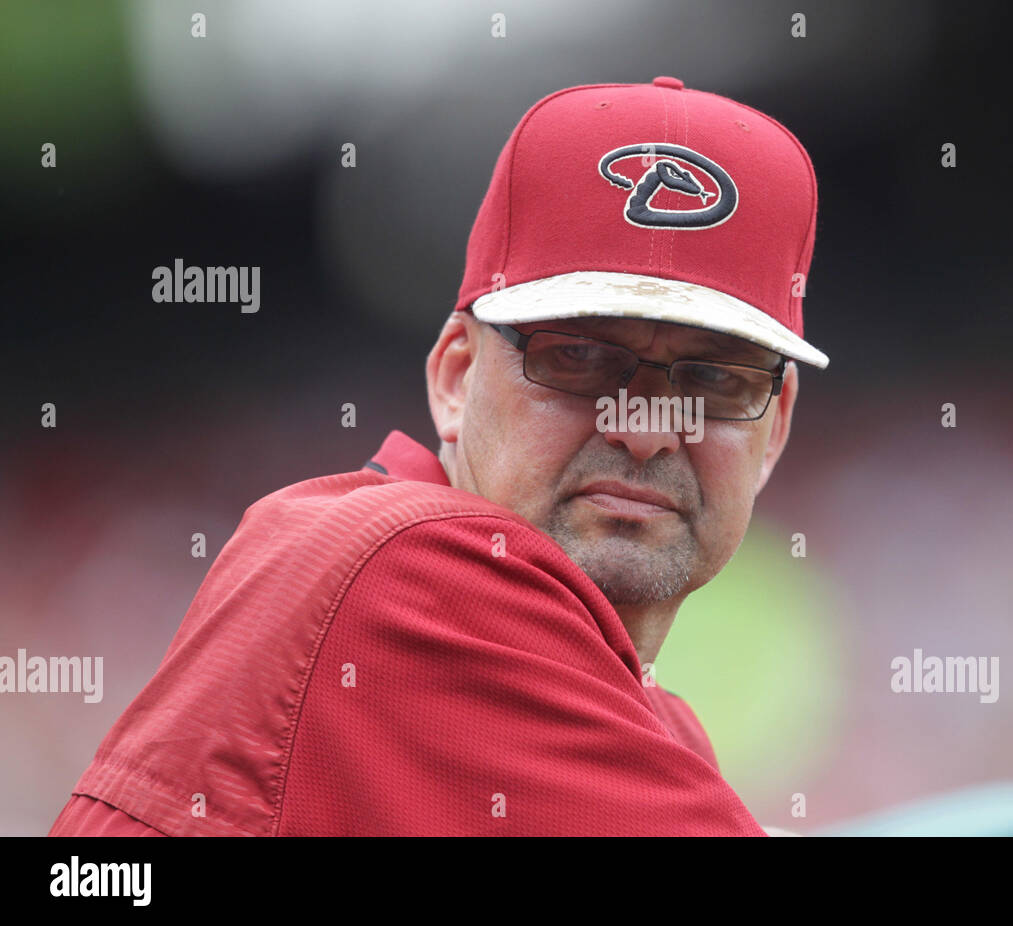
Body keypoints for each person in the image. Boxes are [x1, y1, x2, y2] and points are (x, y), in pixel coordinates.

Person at [47, 75, 828, 836]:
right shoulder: (408, 573)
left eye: (715, 378)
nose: (649, 425)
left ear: (774, 431)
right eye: (580, 358)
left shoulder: (655, 726)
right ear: (456, 379)